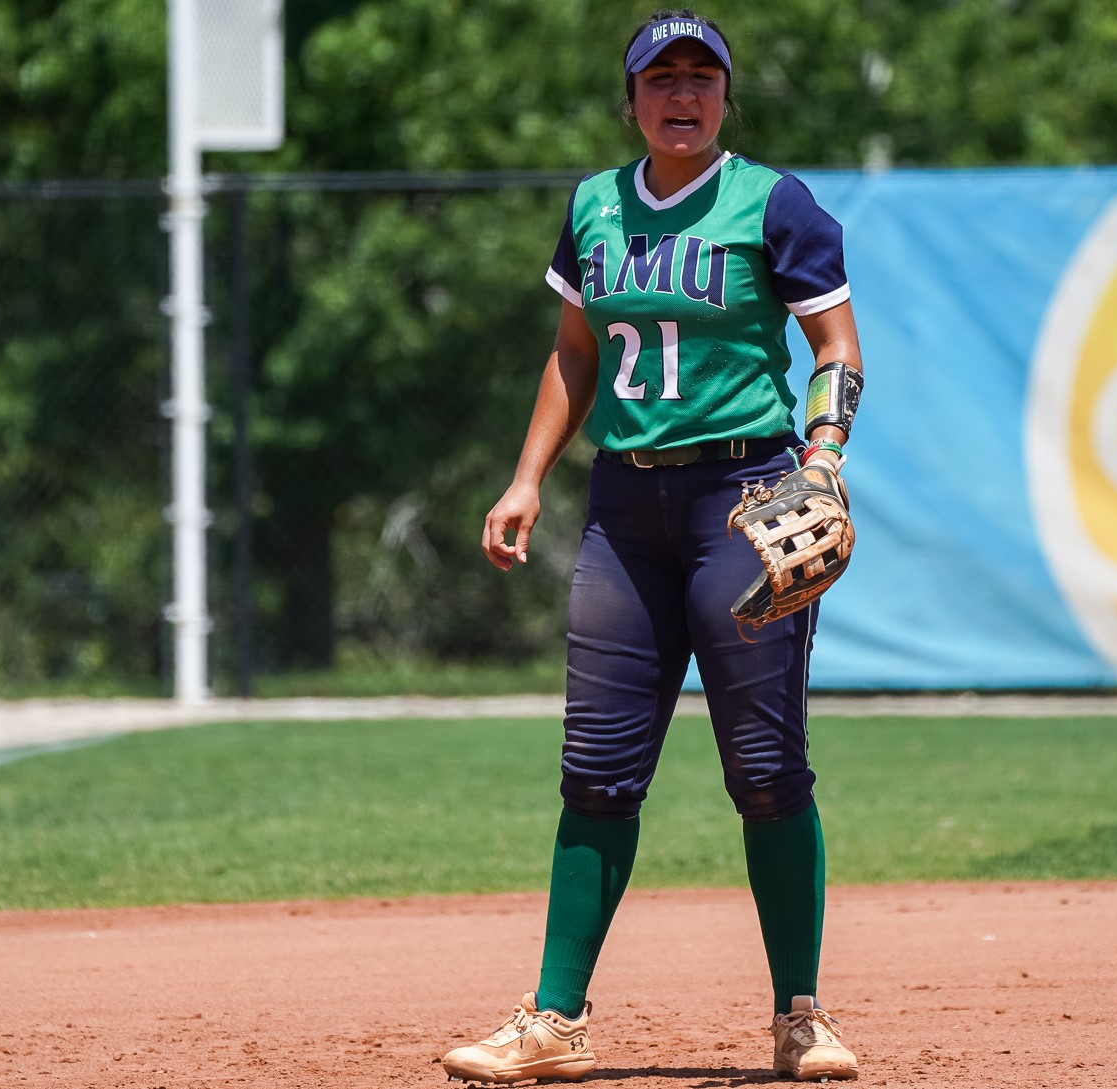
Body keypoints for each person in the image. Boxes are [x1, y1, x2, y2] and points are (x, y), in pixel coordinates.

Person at [444, 9, 865, 1085]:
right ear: (631, 98)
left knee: (767, 771)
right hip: (626, 514)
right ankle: (554, 1022)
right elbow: (574, 353)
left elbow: (834, 345)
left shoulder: (773, 202)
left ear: (727, 96)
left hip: (743, 497)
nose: (683, 93)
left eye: (702, 77)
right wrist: (527, 475)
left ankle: (801, 1017)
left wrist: (822, 456)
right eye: (661, 77)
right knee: (596, 772)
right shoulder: (593, 206)